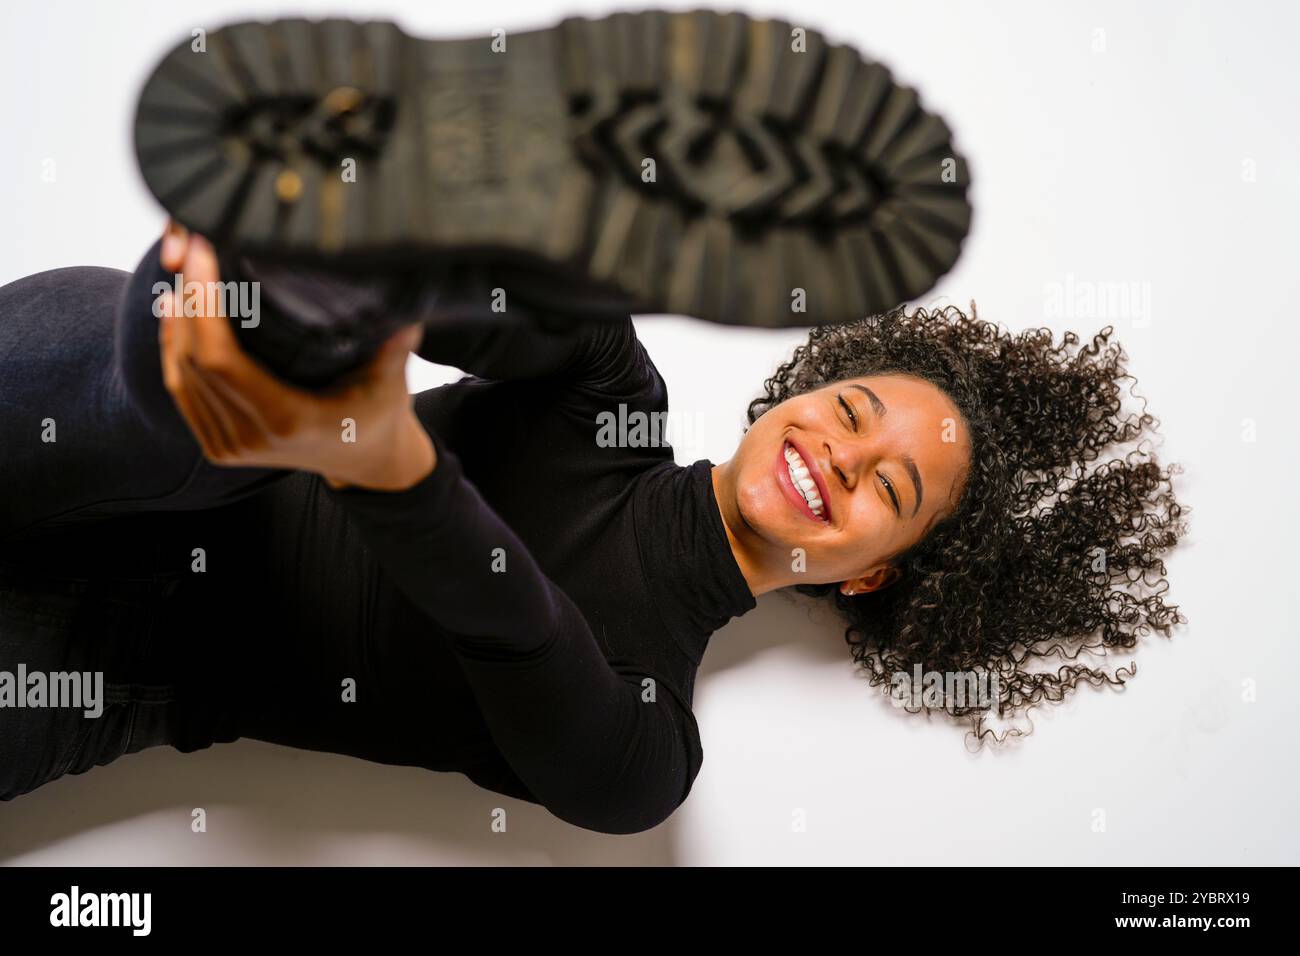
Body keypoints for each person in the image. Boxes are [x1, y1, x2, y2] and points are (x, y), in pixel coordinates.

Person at [0, 215, 1185, 833]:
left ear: (874, 574)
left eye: (890, 488)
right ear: (795, 394)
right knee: (191, 393)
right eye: (854, 408)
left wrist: (386, 458)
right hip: (174, 448)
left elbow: (512, 626)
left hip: (105, 671)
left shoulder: (645, 746)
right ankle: (205, 351)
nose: (845, 450)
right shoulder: (609, 393)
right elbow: (479, 302)